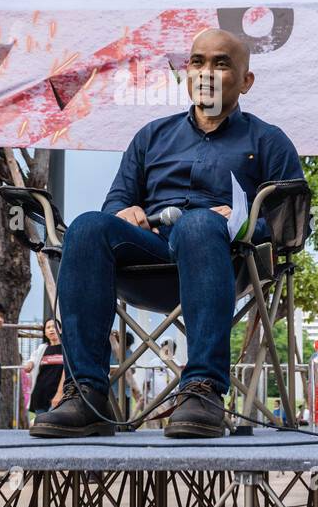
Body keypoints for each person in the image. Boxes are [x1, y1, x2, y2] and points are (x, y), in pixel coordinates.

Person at [31, 28, 303, 439]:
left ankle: (204, 389)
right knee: (87, 226)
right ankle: (87, 394)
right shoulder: (152, 137)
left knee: (199, 223)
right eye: (198, 62)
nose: (207, 72)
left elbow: (291, 227)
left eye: (221, 63)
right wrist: (128, 213)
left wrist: (244, 221)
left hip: (228, 263)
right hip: (151, 261)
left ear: (246, 81)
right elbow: (114, 206)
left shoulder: (268, 141)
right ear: (185, 72)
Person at [23, 318, 65, 417]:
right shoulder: (42, 348)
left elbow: (67, 371)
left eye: (54, 326)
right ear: (45, 332)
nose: (51, 329)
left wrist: (59, 393)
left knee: (54, 426)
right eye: (48, 327)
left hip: (58, 396)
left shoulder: (66, 349)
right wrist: (29, 364)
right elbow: (32, 360)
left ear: (61, 330)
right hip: (40, 395)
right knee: (41, 427)